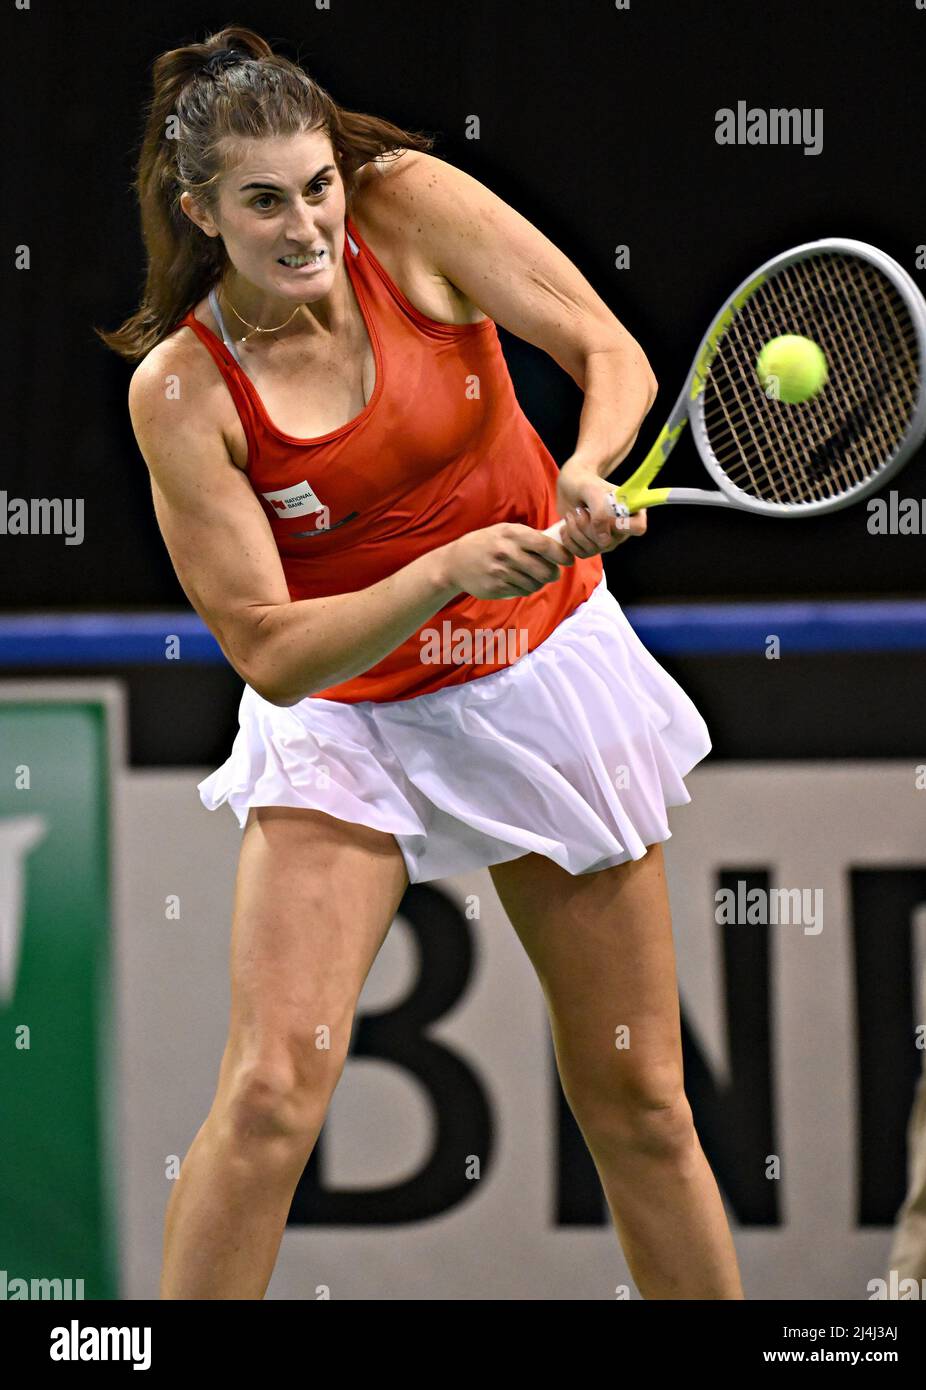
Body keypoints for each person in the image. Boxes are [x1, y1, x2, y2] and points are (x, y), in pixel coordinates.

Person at [100, 25, 743, 1299]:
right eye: (264, 201)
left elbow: (606, 351)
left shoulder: (410, 211)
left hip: (542, 667)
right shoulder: (183, 392)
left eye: (319, 183)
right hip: (349, 717)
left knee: (642, 1102)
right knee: (276, 1091)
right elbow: (273, 655)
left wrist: (589, 466)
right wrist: (439, 573)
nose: (307, 224)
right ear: (202, 212)